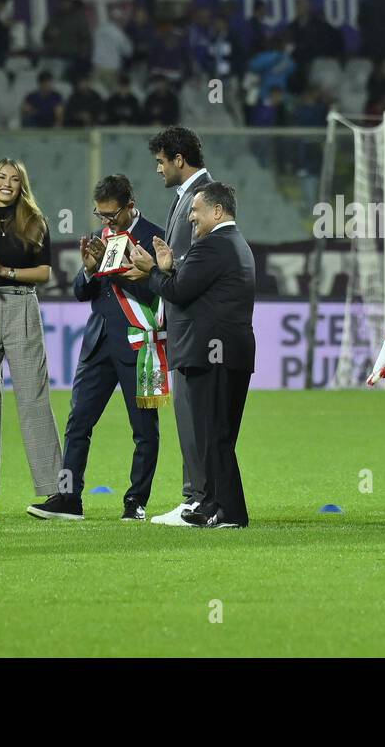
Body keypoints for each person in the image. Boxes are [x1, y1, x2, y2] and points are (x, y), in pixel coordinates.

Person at [28, 175, 167, 522]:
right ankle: (68, 498)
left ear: (130, 205)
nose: (106, 221)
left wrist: (114, 268)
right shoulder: (103, 237)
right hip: (97, 344)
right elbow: (81, 291)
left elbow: (156, 292)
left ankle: (135, 502)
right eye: (100, 215)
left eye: (112, 215)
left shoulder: (153, 237)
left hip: (139, 346)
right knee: (78, 423)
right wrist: (90, 271)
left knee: (144, 430)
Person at [128, 182, 256, 528]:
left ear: (217, 211)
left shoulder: (212, 246)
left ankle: (229, 512)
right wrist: (168, 267)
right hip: (232, 354)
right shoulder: (235, 244)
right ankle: (214, 506)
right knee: (217, 435)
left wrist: (152, 270)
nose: (190, 216)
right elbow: (193, 286)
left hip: (213, 355)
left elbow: (179, 292)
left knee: (214, 434)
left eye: (196, 210)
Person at [0, 158, 64, 518]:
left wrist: (5, 271)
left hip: (21, 306)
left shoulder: (35, 220)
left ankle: (54, 492)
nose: (7, 183)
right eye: (1, 177)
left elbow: (44, 273)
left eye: (14, 179)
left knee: (34, 401)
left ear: (22, 185)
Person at [145, 126, 213, 524]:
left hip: (194, 324)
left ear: (178, 159)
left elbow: (192, 265)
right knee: (190, 414)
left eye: (160, 162)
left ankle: (196, 500)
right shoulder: (190, 196)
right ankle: (198, 496)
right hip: (189, 323)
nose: (158, 170)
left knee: (193, 414)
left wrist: (153, 271)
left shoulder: (203, 199)